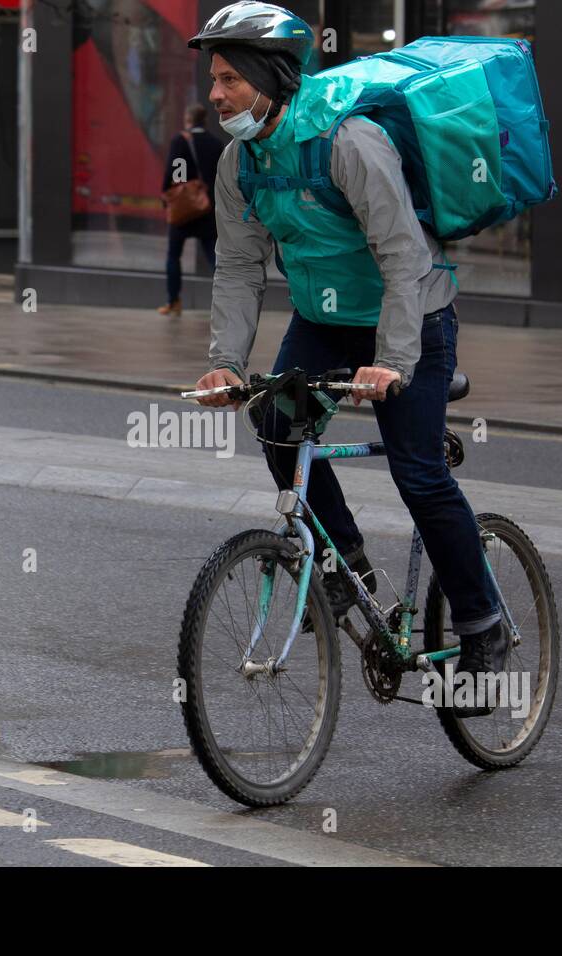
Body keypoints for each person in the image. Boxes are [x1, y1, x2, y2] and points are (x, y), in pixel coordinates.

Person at [188, 1, 507, 715]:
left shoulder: (349, 143)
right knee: (275, 421)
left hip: (411, 312)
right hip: (325, 319)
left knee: (418, 470)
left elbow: (402, 256)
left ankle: (484, 627)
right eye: (213, 79)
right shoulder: (242, 161)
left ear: (272, 79)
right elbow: (238, 267)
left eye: (230, 79)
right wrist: (229, 364)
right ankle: (342, 567)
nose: (216, 94)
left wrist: (393, 359)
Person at [157, 104, 222, 317]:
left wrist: (169, 193)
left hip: (185, 210)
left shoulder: (181, 141)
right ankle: (226, 301)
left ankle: (173, 301)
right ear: (204, 120)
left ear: (188, 119)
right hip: (207, 209)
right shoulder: (216, 143)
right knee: (215, 258)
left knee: (173, 256)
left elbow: (177, 174)